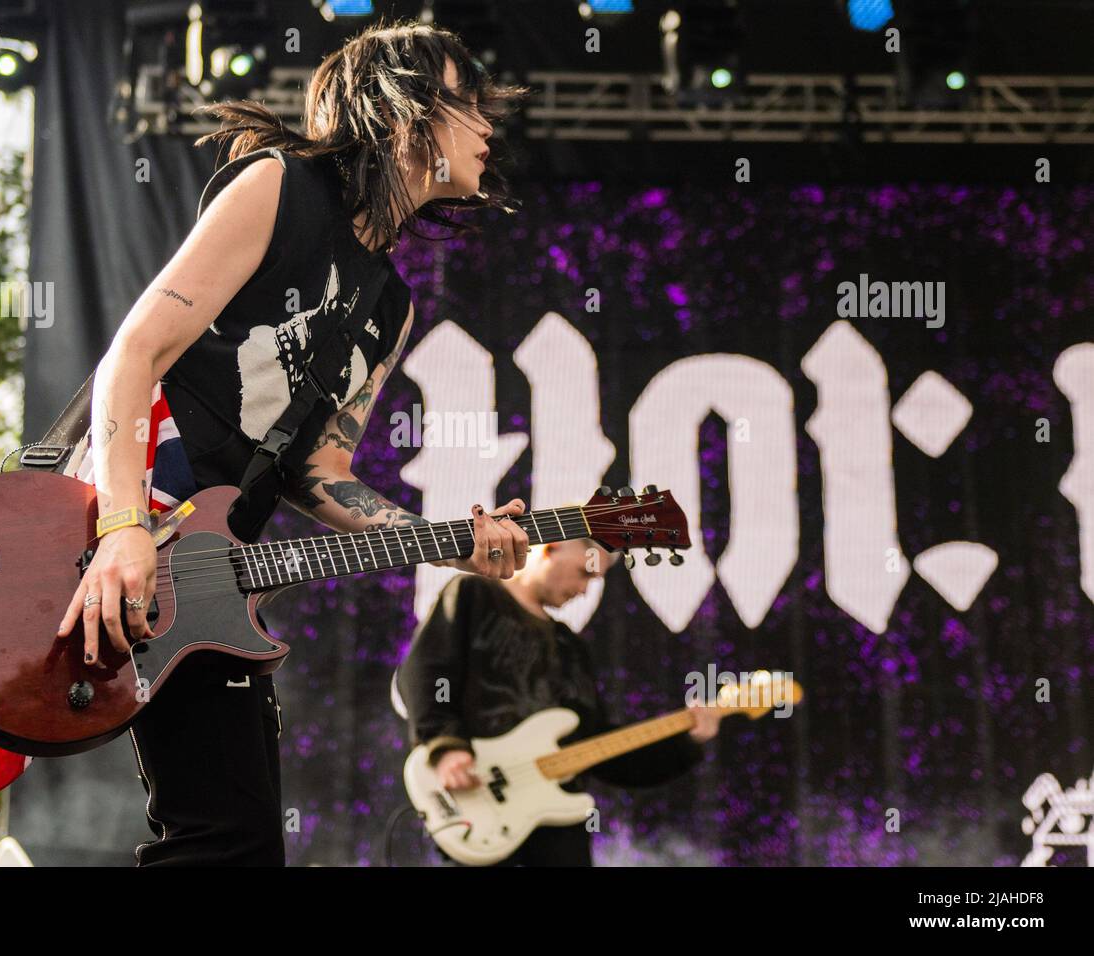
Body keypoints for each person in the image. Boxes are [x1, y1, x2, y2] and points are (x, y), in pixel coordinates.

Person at [53, 21, 530, 866]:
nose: (489, 127)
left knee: (230, 839)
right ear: (404, 106)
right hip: (129, 513)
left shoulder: (391, 306)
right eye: (467, 102)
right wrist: (122, 526)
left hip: (207, 574)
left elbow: (319, 471)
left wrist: (446, 543)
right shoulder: (280, 187)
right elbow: (137, 351)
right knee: (222, 838)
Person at [397, 538, 726, 866]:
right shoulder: (473, 594)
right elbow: (426, 670)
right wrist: (445, 744)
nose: (584, 590)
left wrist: (688, 740)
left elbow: (601, 749)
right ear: (552, 546)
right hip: (477, 800)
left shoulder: (571, 647)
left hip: (557, 832)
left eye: (593, 581)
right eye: (584, 572)